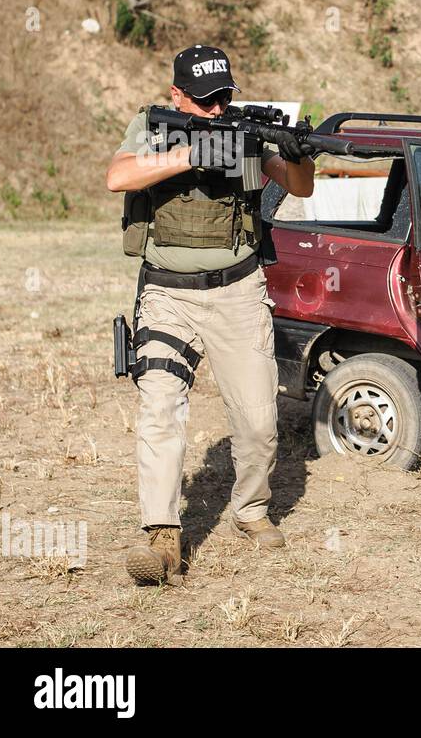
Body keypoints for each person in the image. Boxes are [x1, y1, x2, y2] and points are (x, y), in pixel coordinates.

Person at [105, 45, 315, 583]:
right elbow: (118, 176)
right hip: (167, 295)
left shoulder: (244, 132)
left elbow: (300, 186)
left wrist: (297, 153)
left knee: (259, 418)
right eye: (205, 101)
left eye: (224, 96)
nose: (218, 108)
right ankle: (162, 534)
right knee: (160, 410)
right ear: (178, 95)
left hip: (239, 292)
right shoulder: (153, 126)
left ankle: (250, 509)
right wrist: (193, 154)